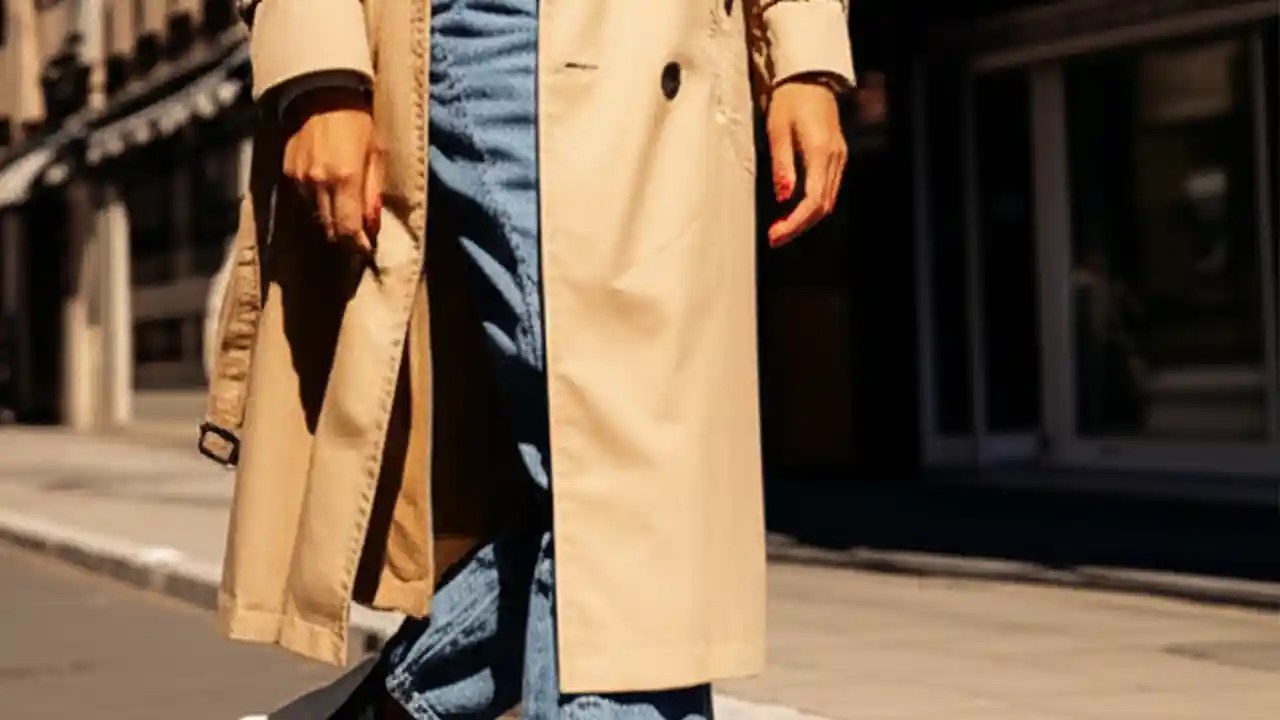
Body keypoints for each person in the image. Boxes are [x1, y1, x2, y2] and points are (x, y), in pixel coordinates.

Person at [201, 0, 855, 717]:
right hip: (506, 34)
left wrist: (805, 49)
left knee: (636, 494)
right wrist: (318, 66)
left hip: (688, 51)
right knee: (625, 495)